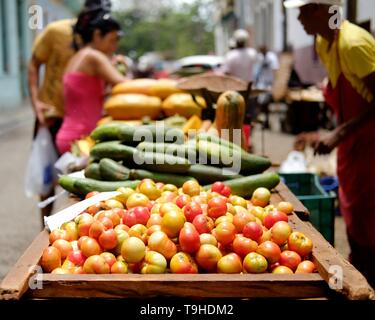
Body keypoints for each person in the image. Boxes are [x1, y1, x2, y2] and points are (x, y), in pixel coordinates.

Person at [285, 0, 375, 288]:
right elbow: (347, 104)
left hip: (371, 148)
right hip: (354, 147)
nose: (299, 19)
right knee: (355, 220)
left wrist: (338, 134)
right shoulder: (326, 45)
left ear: (321, 9)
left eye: (303, 11)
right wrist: (323, 132)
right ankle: (363, 276)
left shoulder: (353, 44)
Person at [27, 0, 112, 225]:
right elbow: (34, 64)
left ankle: (66, 225)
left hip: (79, 119)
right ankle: (43, 225)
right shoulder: (56, 32)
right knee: (48, 176)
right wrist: (36, 103)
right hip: (51, 114)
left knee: (74, 177)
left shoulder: (99, 40)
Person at [55, 11, 127, 155]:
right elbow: (125, 85)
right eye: (112, 40)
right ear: (97, 35)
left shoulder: (77, 57)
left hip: (69, 134)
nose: (115, 46)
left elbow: (86, 96)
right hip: (81, 138)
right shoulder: (93, 57)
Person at [254, 45, 280, 128]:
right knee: (261, 103)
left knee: (266, 103)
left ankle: (266, 121)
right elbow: (256, 70)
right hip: (261, 83)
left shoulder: (271, 57)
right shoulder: (260, 57)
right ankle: (264, 120)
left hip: (269, 83)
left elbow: (275, 70)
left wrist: (276, 83)